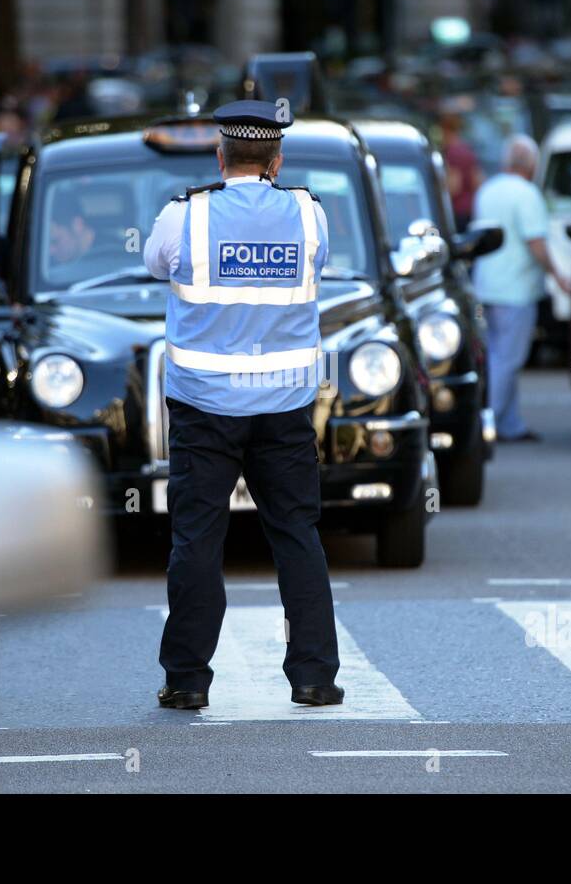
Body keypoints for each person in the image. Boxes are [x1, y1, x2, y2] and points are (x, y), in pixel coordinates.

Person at [142, 100, 342, 711]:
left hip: (204, 409)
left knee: (197, 540)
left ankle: (187, 680)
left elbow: (154, 266)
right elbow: (318, 265)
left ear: (220, 154)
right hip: (284, 407)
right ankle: (313, 678)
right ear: (276, 159)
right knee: (296, 537)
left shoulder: (186, 217)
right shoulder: (310, 215)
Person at [470, 134, 571, 443]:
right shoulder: (527, 194)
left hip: (485, 286)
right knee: (508, 360)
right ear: (531, 165)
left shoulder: (487, 190)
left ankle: (509, 424)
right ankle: (485, 424)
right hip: (516, 289)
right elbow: (536, 242)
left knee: (496, 357)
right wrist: (557, 274)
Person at [440, 112, 482, 230]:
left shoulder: (452, 152)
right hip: (471, 208)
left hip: (458, 212)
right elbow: (477, 181)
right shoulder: (467, 150)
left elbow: (454, 186)